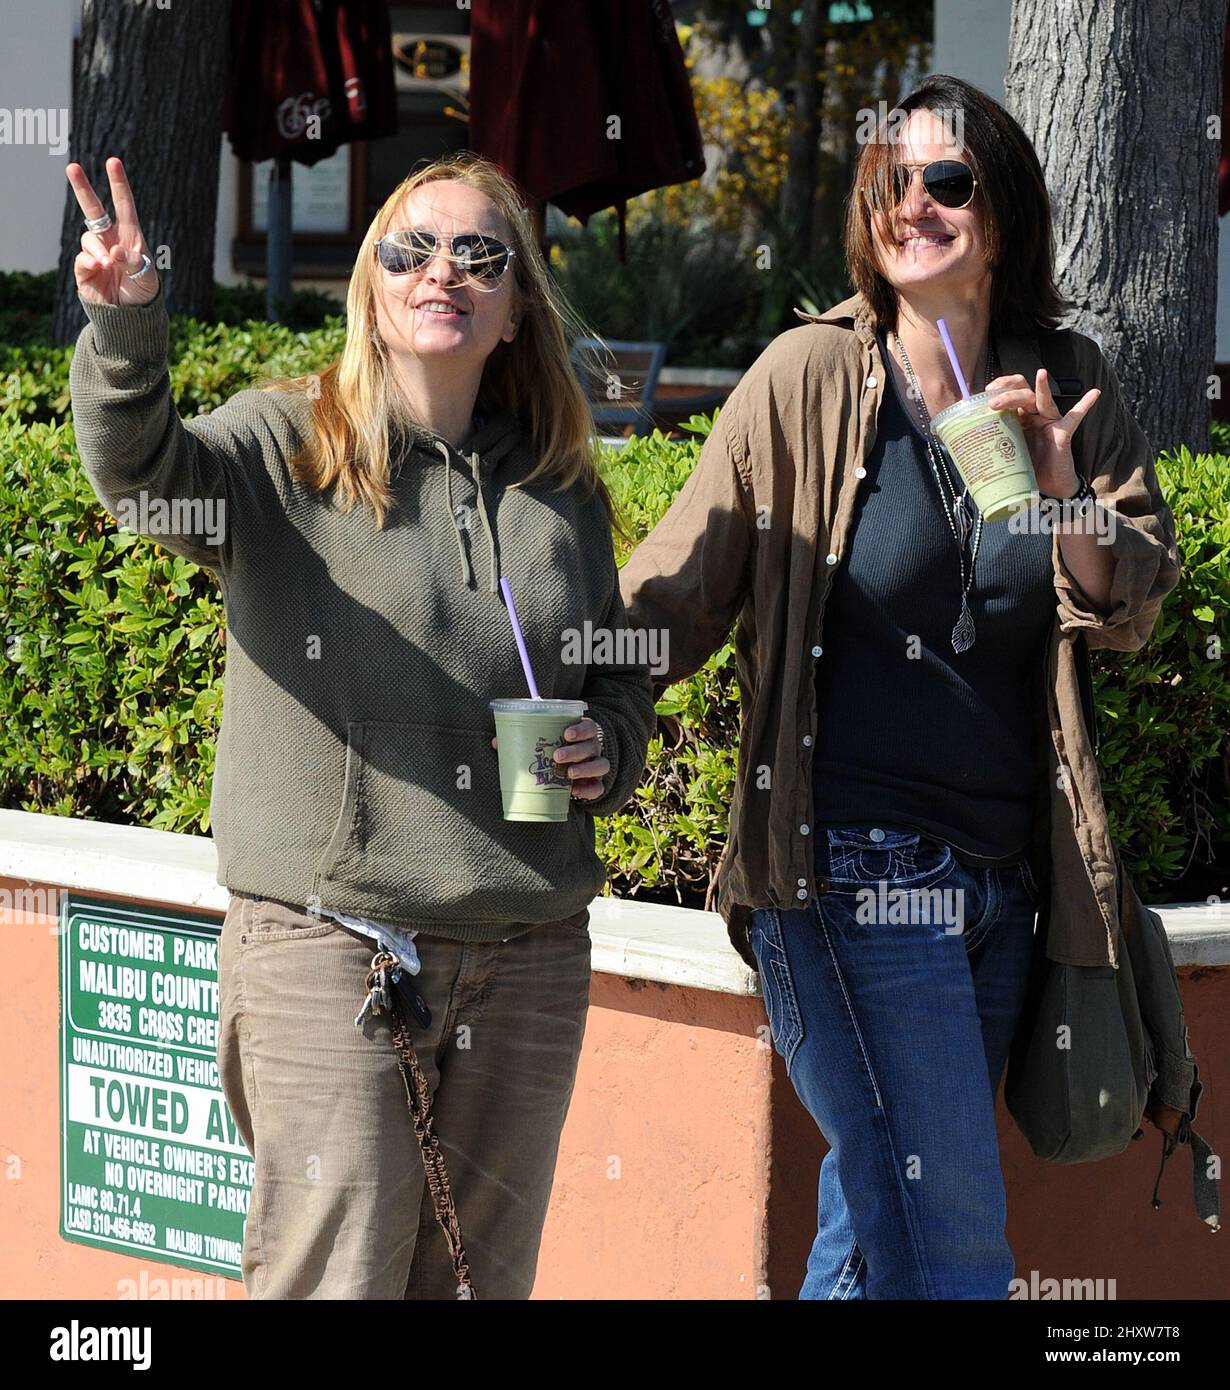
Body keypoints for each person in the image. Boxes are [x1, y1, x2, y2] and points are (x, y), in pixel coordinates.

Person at [619, 74, 1180, 1299]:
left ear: (1006, 209)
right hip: (846, 877)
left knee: (876, 1240)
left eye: (950, 181)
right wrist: (560, 686)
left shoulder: (1066, 376)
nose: (915, 205)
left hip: (1003, 889)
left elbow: (1132, 601)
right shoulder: (810, 379)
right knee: (954, 1247)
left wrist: (1064, 489)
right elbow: (675, 590)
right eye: (892, 180)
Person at [67, 151, 655, 1300]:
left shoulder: (556, 479)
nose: (446, 273)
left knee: (479, 1285)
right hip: (335, 946)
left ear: (516, 303)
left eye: (481, 255)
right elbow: (140, 480)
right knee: (337, 1278)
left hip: (529, 953)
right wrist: (126, 327)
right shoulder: (288, 444)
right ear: (371, 287)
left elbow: (611, 663)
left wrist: (612, 743)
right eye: (412, 249)